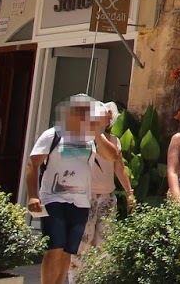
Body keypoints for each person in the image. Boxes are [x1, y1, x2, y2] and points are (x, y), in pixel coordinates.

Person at [25, 94, 119, 284]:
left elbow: (112, 156)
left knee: (69, 249)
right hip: (54, 199)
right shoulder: (53, 135)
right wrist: (33, 196)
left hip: (81, 202)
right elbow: (32, 164)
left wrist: (96, 134)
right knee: (55, 247)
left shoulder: (91, 138)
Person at [73, 102, 135, 275]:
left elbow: (119, 167)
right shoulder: (82, 138)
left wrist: (129, 193)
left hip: (107, 196)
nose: (108, 116)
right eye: (105, 113)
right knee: (83, 242)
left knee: (105, 243)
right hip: (86, 196)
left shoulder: (113, 140)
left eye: (110, 114)